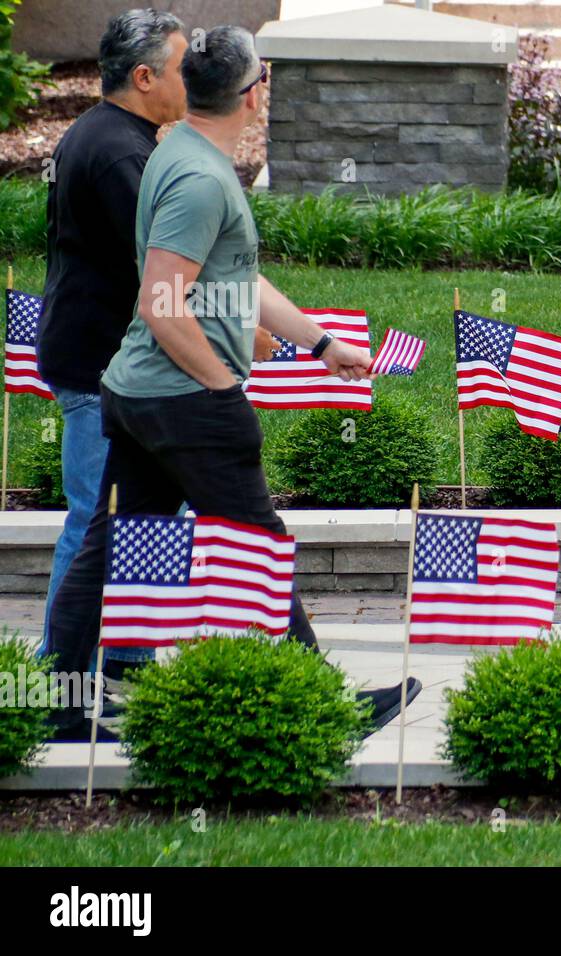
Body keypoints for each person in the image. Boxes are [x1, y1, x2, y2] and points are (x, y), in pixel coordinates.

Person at [43, 25, 420, 741]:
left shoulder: (179, 150)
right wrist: (221, 389)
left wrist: (321, 343)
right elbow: (162, 302)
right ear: (254, 96)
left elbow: (235, 276)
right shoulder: (198, 176)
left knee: (106, 545)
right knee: (259, 542)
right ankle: (322, 706)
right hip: (181, 398)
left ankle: (59, 706)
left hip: (141, 392)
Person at [36, 10, 276, 681]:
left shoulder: (118, 138)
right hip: (107, 363)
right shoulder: (124, 153)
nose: (190, 75)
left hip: (113, 363)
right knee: (97, 526)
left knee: (124, 525)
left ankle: (109, 664)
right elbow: (172, 271)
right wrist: (231, 351)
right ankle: (63, 674)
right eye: (178, 67)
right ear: (144, 78)